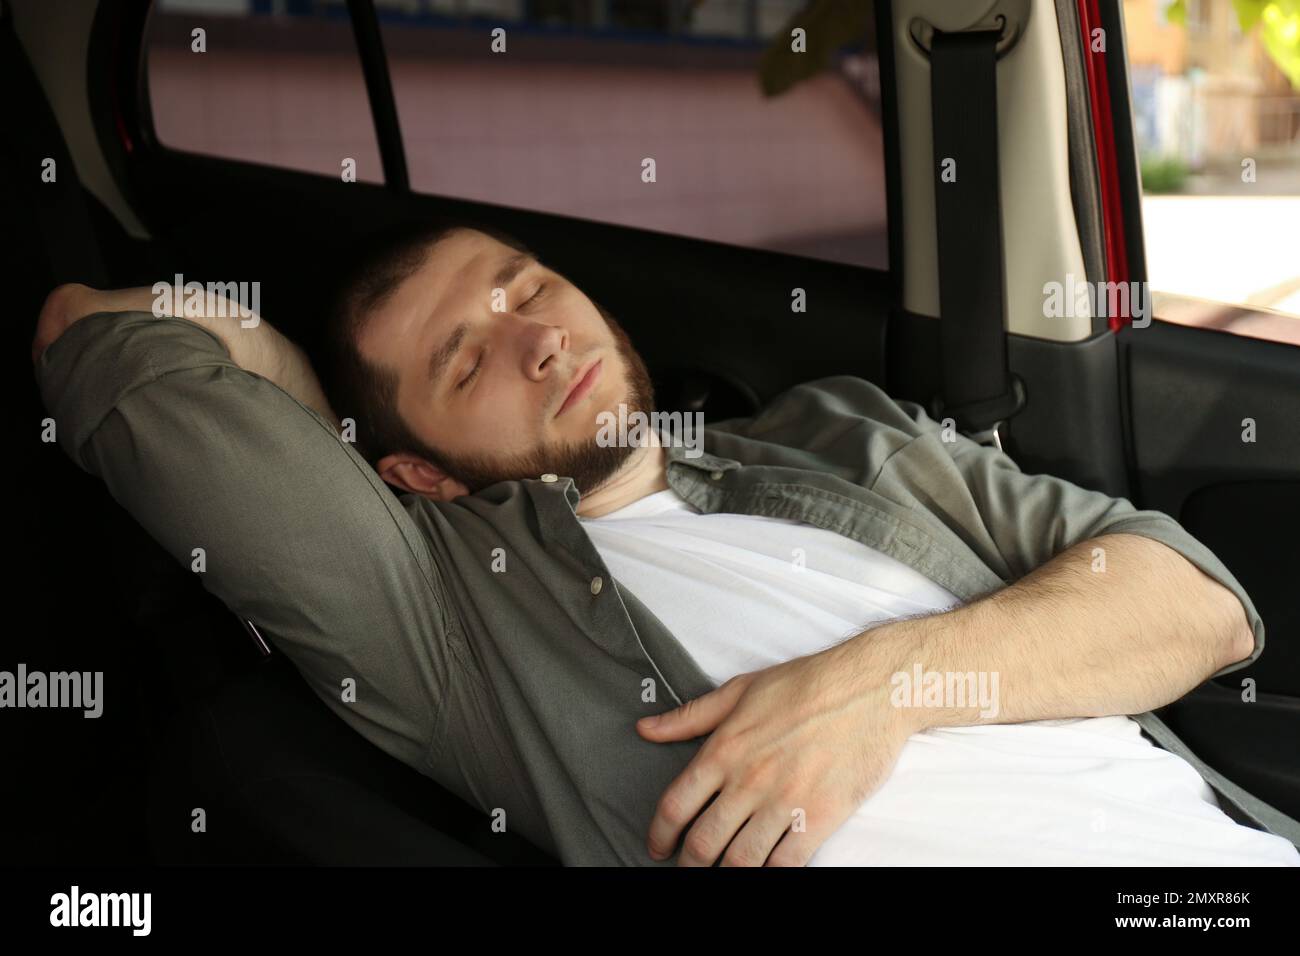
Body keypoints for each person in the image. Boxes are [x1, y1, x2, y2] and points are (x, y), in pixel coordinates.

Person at [31, 223, 1300, 866]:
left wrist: (883, 688)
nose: (538, 339)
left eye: (524, 288)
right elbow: (89, 332)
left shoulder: (839, 429)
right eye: (464, 361)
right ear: (412, 469)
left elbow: (1201, 606)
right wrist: (293, 377)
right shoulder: (446, 610)